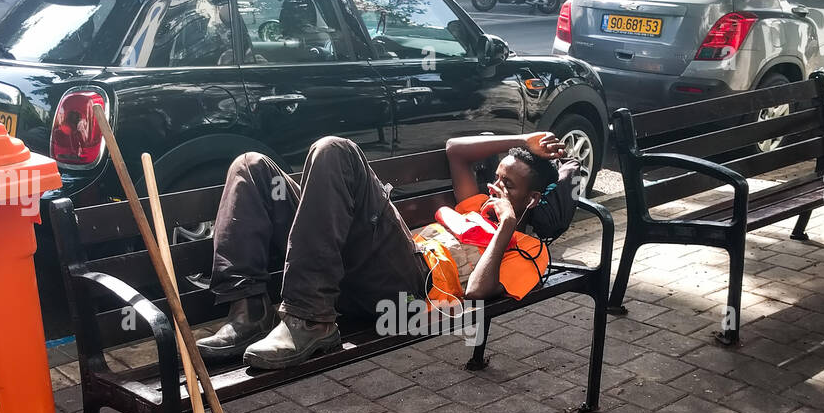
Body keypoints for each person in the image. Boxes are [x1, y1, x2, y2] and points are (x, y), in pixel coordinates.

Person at [197, 133, 579, 369]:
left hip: (406, 290)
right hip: (353, 270)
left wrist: (509, 222)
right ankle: (251, 312)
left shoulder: (528, 251)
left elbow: (479, 291)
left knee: (336, 151)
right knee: (251, 166)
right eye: (496, 176)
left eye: (507, 185)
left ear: (530, 199)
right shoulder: (476, 203)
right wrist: (525, 138)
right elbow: (455, 151)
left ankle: (310, 321)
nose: (495, 188)